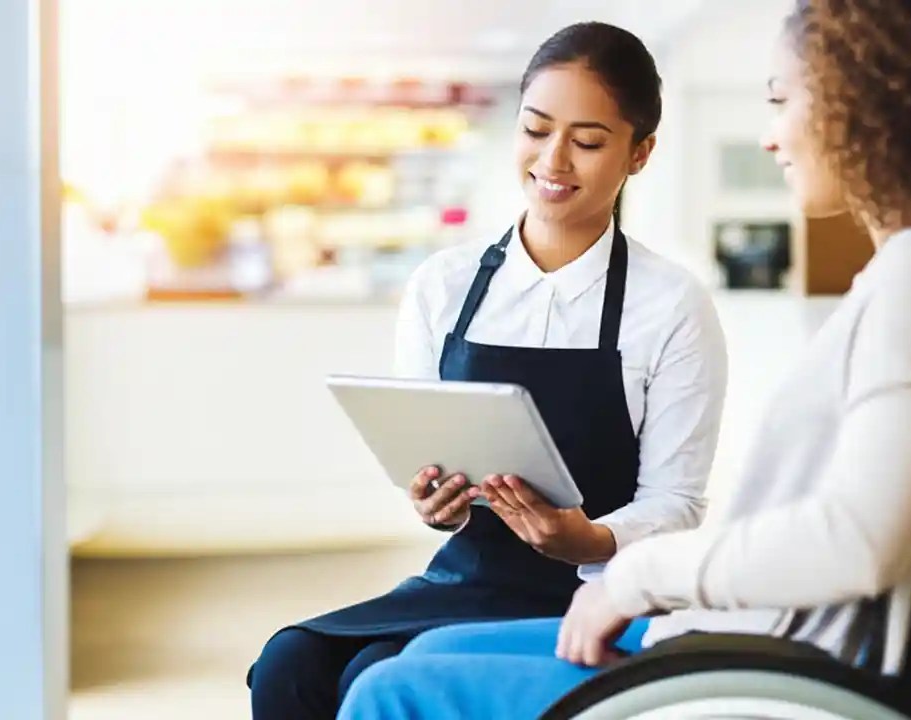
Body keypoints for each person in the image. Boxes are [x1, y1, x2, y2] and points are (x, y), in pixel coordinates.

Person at [336, 0, 911, 717]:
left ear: (871, 104)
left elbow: (855, 541)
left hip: (773, 673)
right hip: (777, 643)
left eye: (783, 99)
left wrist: (635, 580)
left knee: (387, 692)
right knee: (417, 657)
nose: (772, 137)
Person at [246, 22, 729, 719]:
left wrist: (586, 539)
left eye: (588, 141)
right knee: (289, 663)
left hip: (594, 594)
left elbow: (676, 505)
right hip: (462, 579)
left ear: (640, 152)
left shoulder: (672, 305)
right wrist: (431, 500)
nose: (553, 160)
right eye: (535, 130)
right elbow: (423, 449)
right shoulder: (443, 283)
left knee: (381, 674)